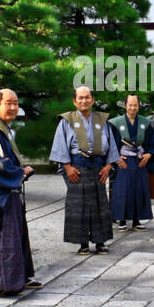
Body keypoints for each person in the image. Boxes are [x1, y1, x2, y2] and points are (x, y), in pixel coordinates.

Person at [0, 88, 36, 294]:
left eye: (15, 103)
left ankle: (19, 279)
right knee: (4, 240)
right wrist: (21, 172)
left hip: (6, 191)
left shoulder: (3, 129)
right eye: (8, 103)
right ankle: (5, 284)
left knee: (16, 236)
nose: (12, 108)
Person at [50, 85, 120, 254]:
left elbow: (111, 145)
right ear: (74, 101)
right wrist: (67, 167)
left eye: (87, 97)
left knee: (99, 206)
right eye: (80, 98)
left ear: (93, 100)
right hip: (77, 168)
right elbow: (60, 146)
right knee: (79, 206)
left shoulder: (102, 120)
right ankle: (82, 243)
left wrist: (108, 166)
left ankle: (100, 241)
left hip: (98, 168)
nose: (84, 100)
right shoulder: (67, 121)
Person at [108, 94, 154, 231]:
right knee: (122, 191)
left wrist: (149, 155)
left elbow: (151, 143)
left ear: (139, 106)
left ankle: (137, 220)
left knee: (139, 190)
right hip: (123, 161)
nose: (133, 108)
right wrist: (116, 158)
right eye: (130, 105)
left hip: (140, 161)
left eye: (135, 105)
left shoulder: (145, 123)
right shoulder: (115, 123)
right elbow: (109, 143)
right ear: (125, 105)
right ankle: (121, 220)